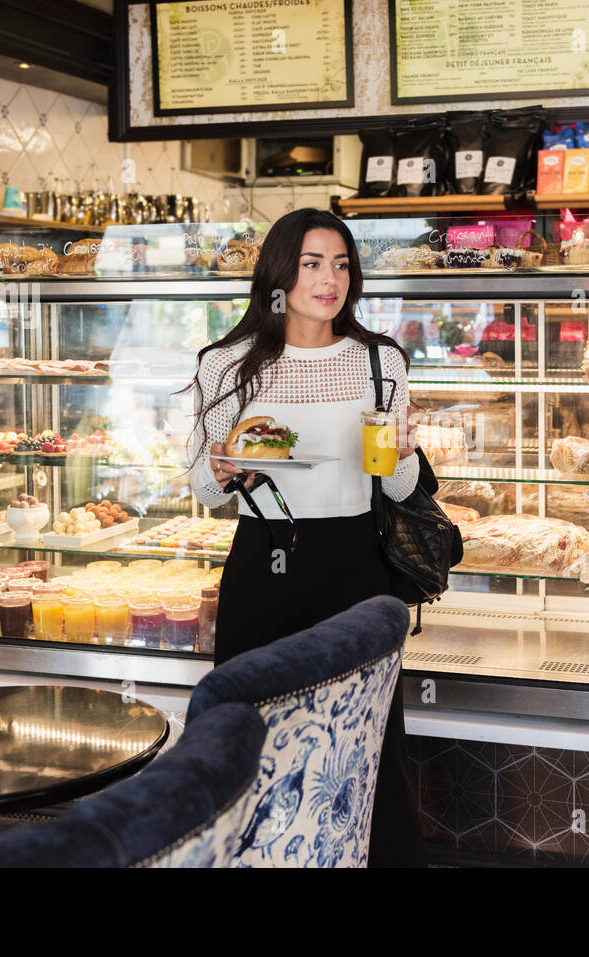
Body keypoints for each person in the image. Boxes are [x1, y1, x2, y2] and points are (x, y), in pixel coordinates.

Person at [188, 208, 426, 867]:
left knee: (366, 744)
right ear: (278, 273)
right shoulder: (226, 363)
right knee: (254, 740)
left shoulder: (380, 360)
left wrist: (403, 453)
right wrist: (217, 468)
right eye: (312, 263)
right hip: (262, 565)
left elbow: (399, 487)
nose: (331, 279)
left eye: (342, 263)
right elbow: (204, 489)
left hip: (358, 570)